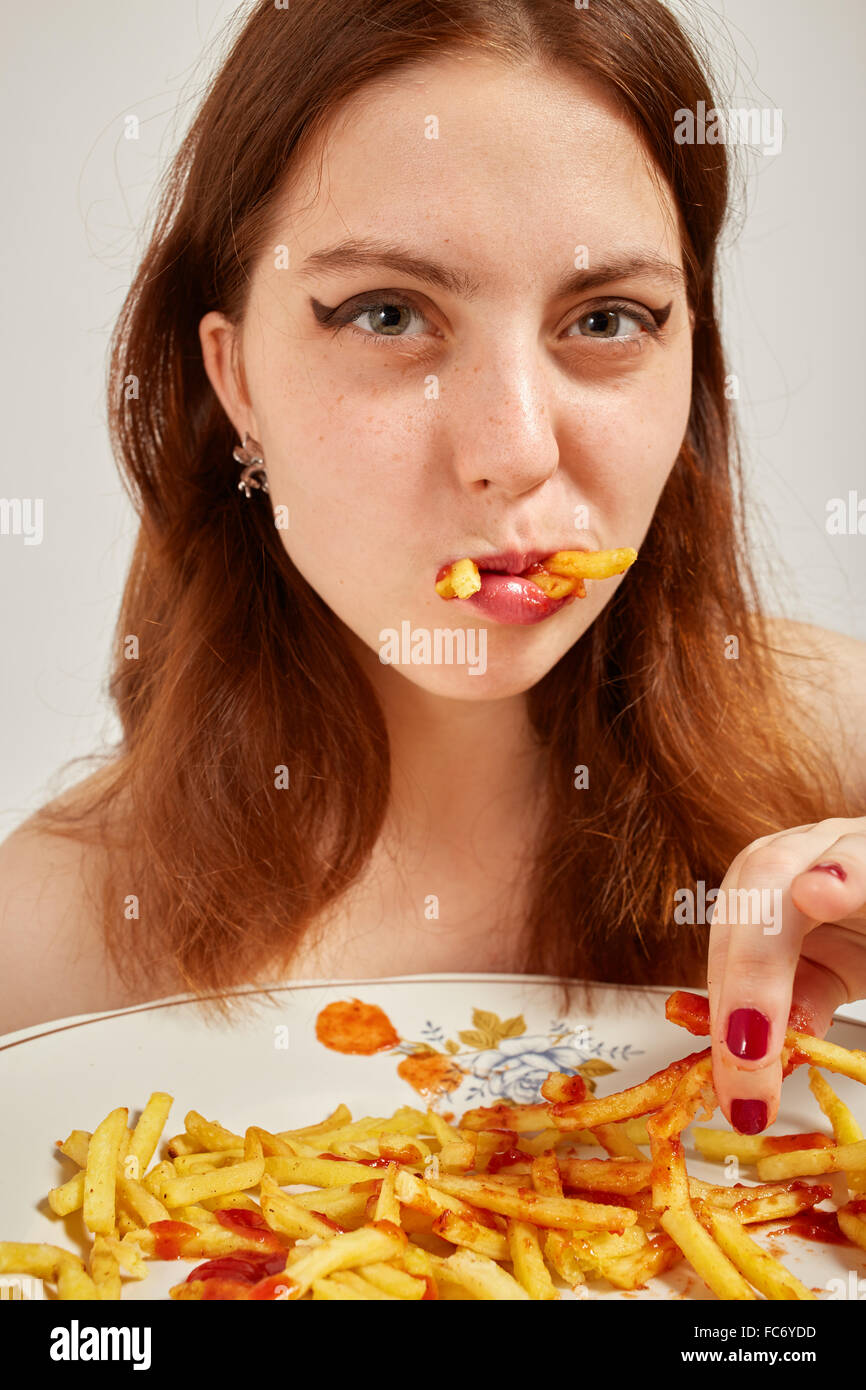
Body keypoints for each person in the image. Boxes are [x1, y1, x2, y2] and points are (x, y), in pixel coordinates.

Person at [1, 0, 864, 1142]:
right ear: (236, 381)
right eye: (387, 312)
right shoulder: (47, 942)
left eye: (607, 317)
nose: (512, 449)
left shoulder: (841, 754)